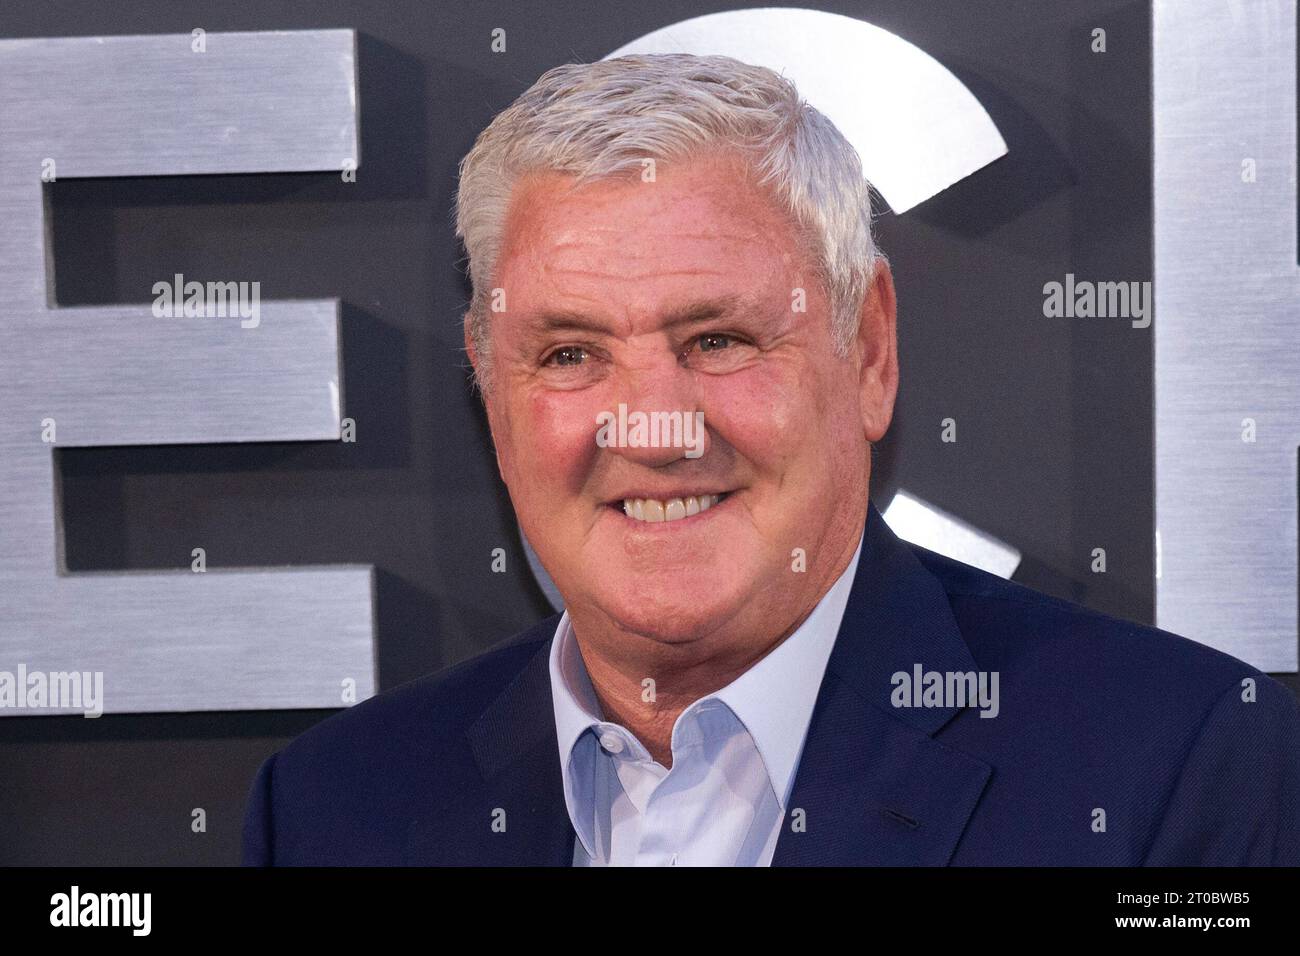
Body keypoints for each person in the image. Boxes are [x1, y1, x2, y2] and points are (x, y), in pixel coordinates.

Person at [242, 53, 1300, 866]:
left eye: (717, 340)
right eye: (569, 353)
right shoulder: (334, 811)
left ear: (868, 350)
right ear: (488, 383)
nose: (652, 428)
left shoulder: (1176, 770)